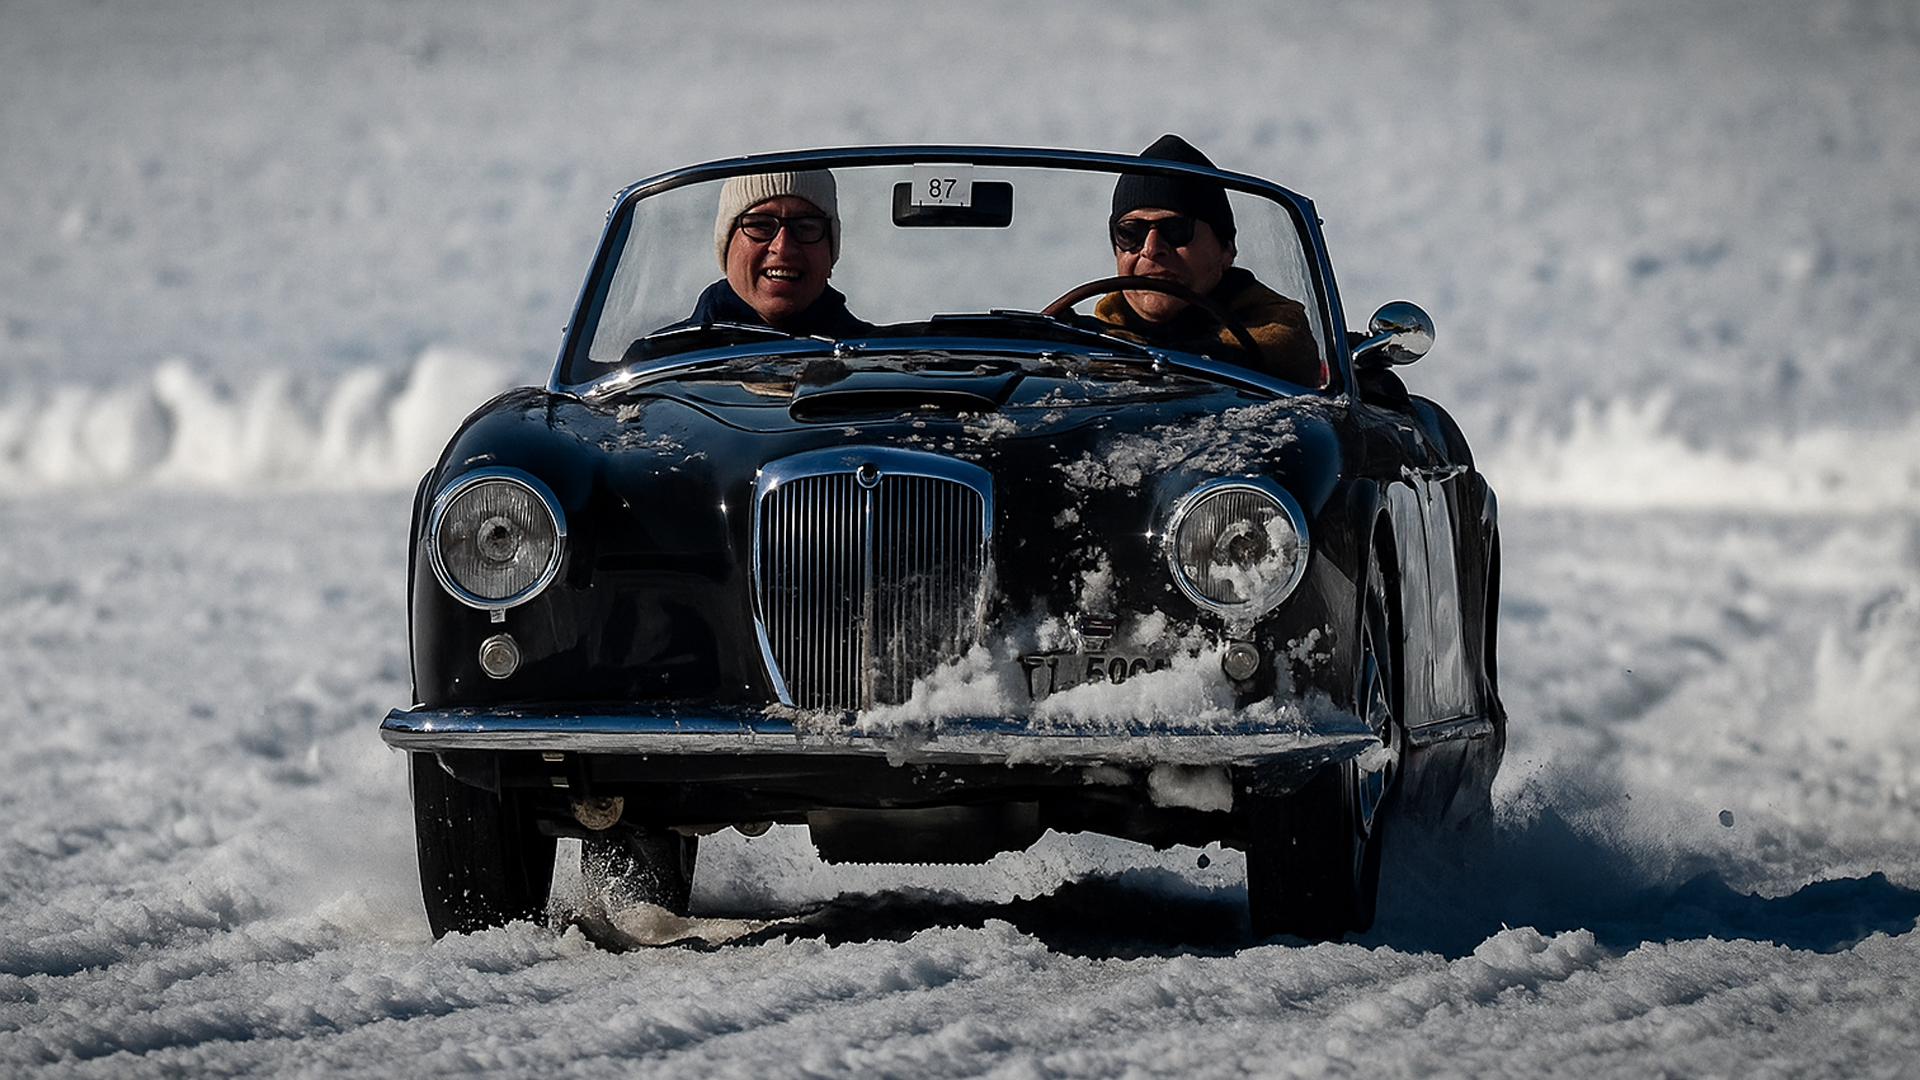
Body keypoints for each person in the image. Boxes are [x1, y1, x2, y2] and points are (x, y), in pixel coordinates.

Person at [1093, 135, 1325, 387]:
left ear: (1226, 249)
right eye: (1130, 233)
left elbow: (1288, 353)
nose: (1151, 249)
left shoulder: (1278, 337)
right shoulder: (1079, 338)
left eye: (1176, 229)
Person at [672, 169, 870, 336]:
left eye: (806, 226)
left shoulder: (882, 365)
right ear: (726, 244)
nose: (783, 247)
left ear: (830, 251)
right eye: (760, 225)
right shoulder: (661, 364)